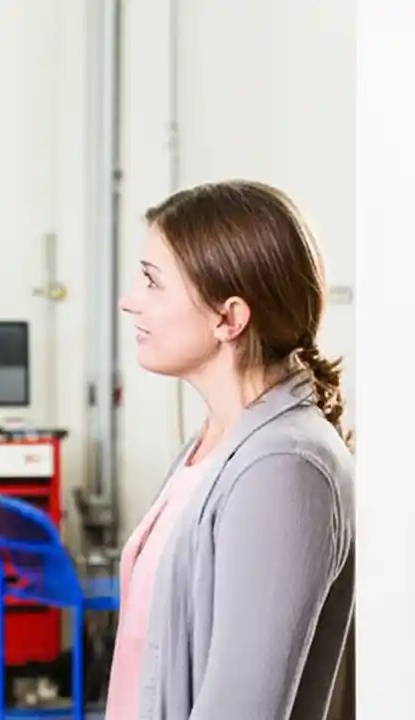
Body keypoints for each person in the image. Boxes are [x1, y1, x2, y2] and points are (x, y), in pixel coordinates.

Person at [106, 180, 355, 719]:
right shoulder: (215, 442)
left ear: (229, 318)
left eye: (152, 282)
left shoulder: (284, 469)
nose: (129, 300)